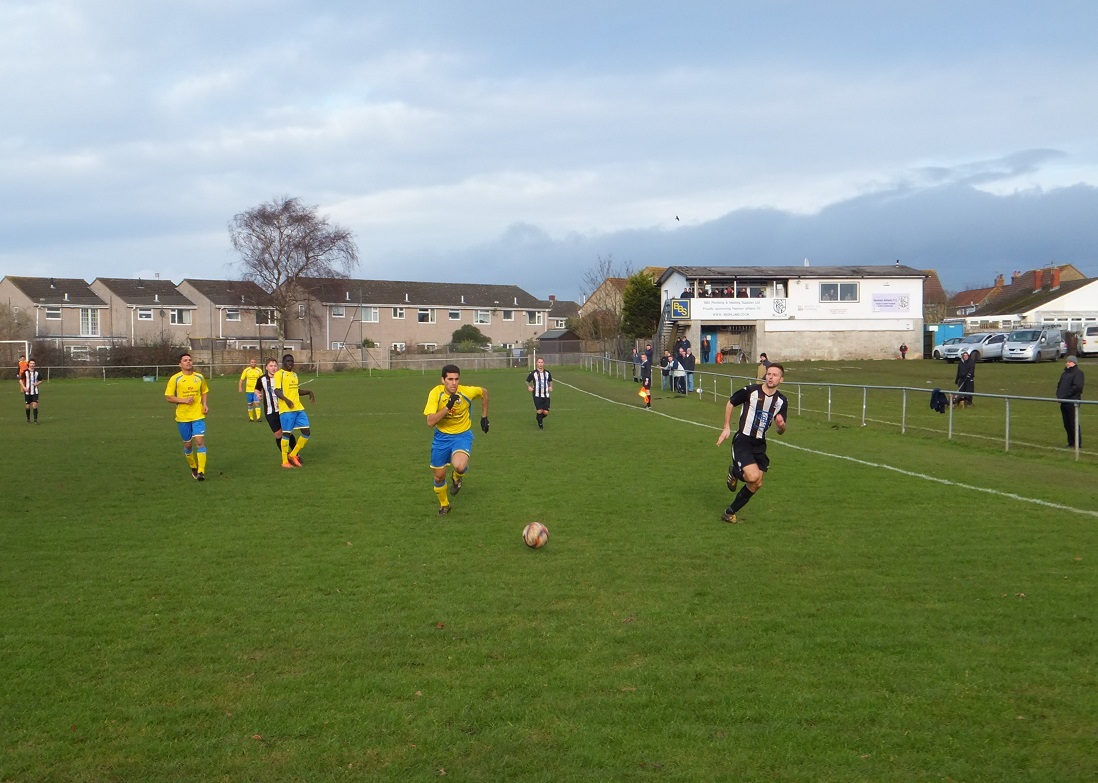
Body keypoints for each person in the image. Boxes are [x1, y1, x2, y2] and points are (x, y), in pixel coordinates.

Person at [716, 363, 789, 523]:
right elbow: (730, 403)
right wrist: (726, 427)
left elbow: (781, 431)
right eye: (769, 373)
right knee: (752, 476)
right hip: (743, 440)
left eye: (774, 375)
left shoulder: (782, 401)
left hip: (759, 444)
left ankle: (729, 512)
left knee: (757, 483)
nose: (770, 377)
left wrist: (781, 426)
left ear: (781, 379)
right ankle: (735, 471)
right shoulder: (751, 391)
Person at [424, 364, 489, 516]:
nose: (454, 383)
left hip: (462, 435)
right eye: (450, 379)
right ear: (443, 380)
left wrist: (484, 416)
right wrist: (448, 407)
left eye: (456, 379)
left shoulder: (466, 392)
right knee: (439, 476)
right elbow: (430, 422)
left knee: (459, 466)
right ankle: (444, 504)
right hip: (441, 438)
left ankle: (457, 476)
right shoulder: (435, 394)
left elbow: (484, 392)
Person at [164, 352, 209, 481]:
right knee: (188, 445)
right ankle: (193, 467)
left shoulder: (199, 377)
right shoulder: (175, 379)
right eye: (185, 360)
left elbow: (204, 391)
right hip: (182, 417)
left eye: (190, 360)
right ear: (180, 364)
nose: (188, 362)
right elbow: (168, 396)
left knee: (200, 442)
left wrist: (205, 404)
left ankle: (201, 471)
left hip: (197, 415)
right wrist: (183, 400)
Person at [273, 353, 315, 468]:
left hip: (298, 408)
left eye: (292, 361)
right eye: (288, 361)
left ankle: (293, 454)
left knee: (306, 432)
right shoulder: (279, 374)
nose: (290, 363)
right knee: (286, 434)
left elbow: (296, 390)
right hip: (286, 410)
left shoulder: (295, 375)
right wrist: (286, 400)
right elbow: (276, 391)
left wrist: (309, 392)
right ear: (283, 362)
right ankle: (284, 462)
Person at [255, 358, 297, 461]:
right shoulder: (262, 379)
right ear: (266, 367)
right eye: (271, 366)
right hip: (270, 411)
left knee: (287, 432)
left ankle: (295, 453)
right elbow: (257, 389)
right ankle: (286, 455)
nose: (273, 368)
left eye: (275, 366)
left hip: (283, 409)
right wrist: (258, 396)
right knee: (278, 434)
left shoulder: (282, 377)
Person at [1056, 355, 1085, 448]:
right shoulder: (1064, 374)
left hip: (1073, 401)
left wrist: (1067, 395)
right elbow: (1059, 385)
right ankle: (1071, 442)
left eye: (1069, 361)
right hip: (1064, 401)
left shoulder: (1078, 373)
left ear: (1074, 363)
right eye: (1066, 361)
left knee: (1073, 423)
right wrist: (1059, 395)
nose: (1067, 363)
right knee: (1066, 423)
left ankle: (1077, 443)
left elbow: (1077, 387)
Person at [526, 357, 553, 429]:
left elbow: (550, 380)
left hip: (546, 394)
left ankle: (538, 417)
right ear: (536, 363)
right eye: (539, 362)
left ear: (543, 363)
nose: (540, 364)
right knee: (539, 410)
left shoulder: (547, 373)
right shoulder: (533, 373)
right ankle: (540, 425)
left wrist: (550, 386)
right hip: (537, 395)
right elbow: (527, 381)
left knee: (546, 412)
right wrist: (529, 387)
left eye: (541, 362)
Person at [19, 359, 40, 424]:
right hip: (27, 392)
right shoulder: (25, 372)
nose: (32, 365)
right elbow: (20, 380)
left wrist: (37, 383)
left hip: (35, 391)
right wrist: (24, 387)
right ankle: (28, 419)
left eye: (33, 363)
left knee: (35, 405)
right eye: (31, 363)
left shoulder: (36, 372)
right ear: (29, 364)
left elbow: (41, 380)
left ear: (35, 364)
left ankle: (35, 420)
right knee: (27, 406)